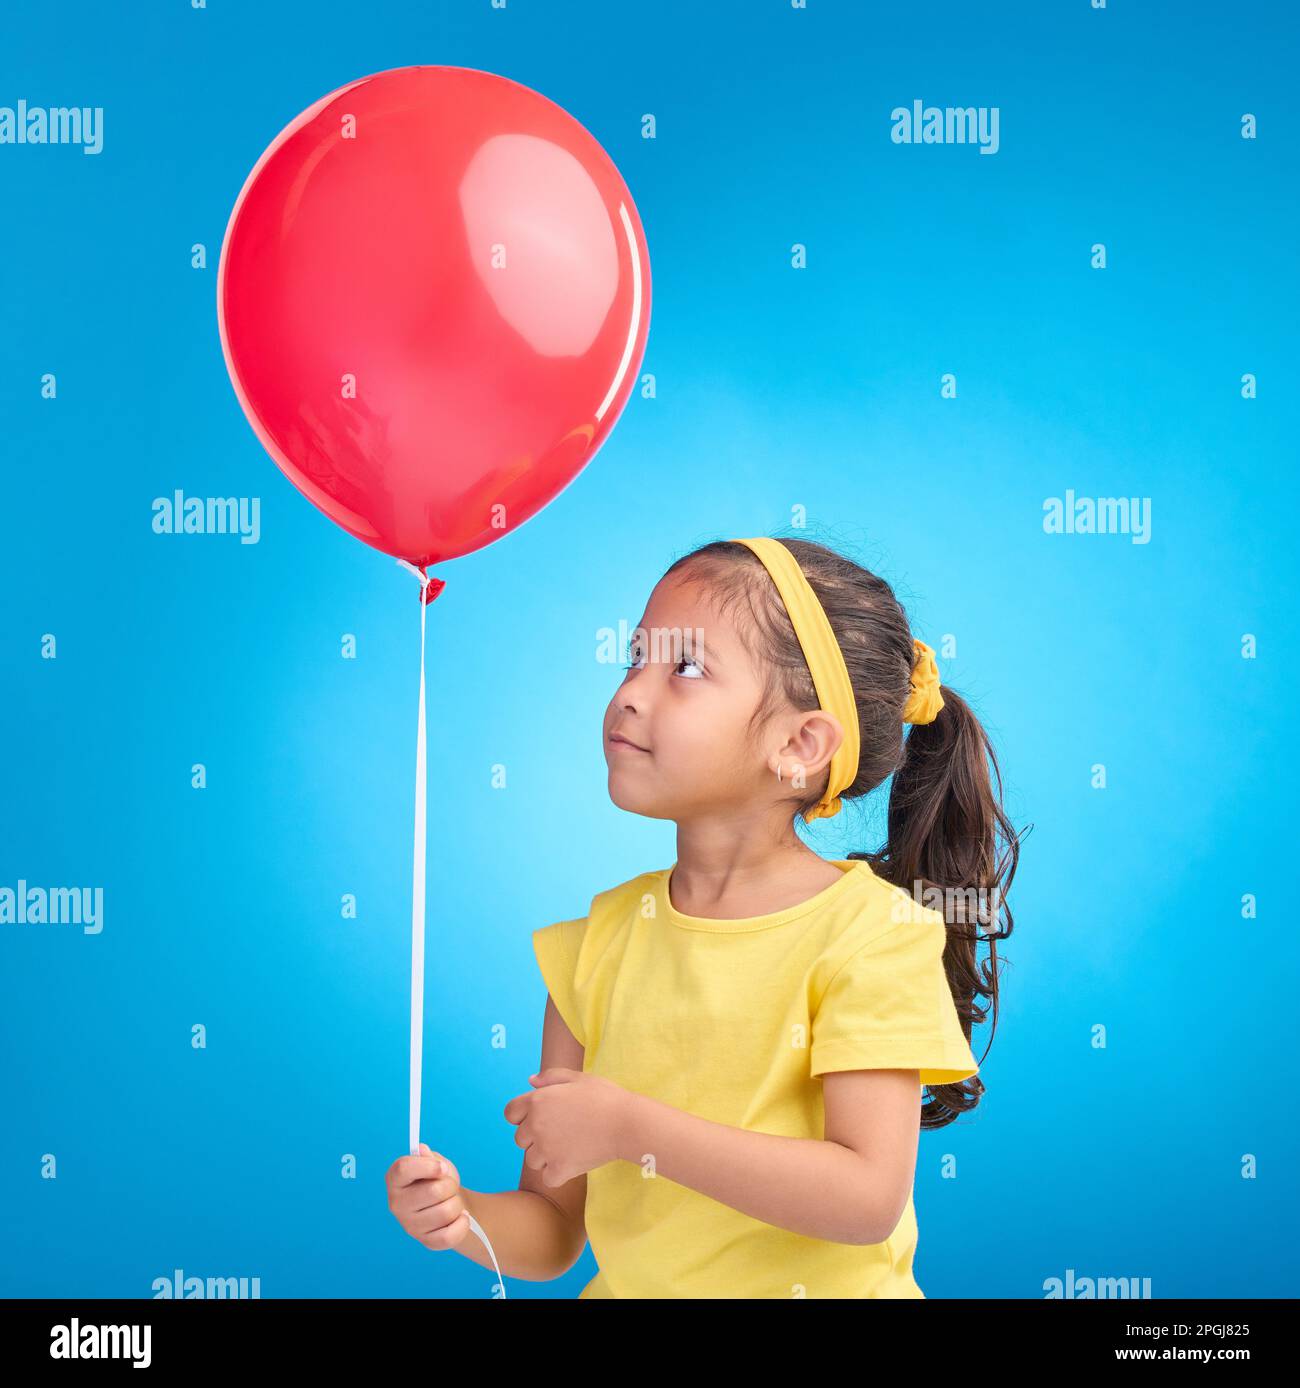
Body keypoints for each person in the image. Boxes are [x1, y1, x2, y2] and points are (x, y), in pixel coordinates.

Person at [387, 534, 1019, 1297]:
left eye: (684, 668)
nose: (629, 693)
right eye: (633, 659)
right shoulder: (596, 946)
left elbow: (865, 1200)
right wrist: (464, 1217)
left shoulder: (870, 937)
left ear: (799, 745)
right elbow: (554, 1231)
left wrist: (633, 1129)